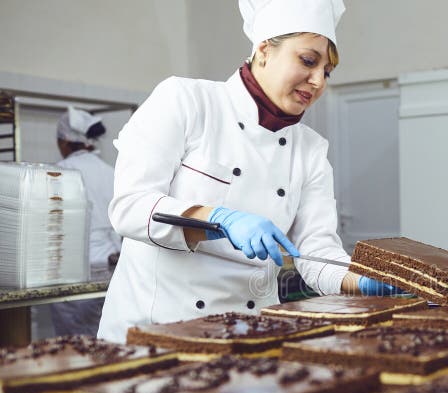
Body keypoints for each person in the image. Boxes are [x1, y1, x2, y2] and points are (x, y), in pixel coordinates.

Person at [97, 0, 398, 342]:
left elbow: (318, 254)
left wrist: (361, 280)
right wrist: (218, 219)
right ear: (265, 49)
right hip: (156, 329)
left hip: (249, 335)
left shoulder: (311, 150)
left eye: (327, 72)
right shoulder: (186, 101)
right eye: (308, 61)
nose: (318, 81)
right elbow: (129, 208)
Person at [50, 107, 121, 336]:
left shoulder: (58, 173)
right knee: (109, 338)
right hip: (112, 266)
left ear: (64, 142)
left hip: (74, 270)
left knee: (76, 345)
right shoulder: (110, 171)